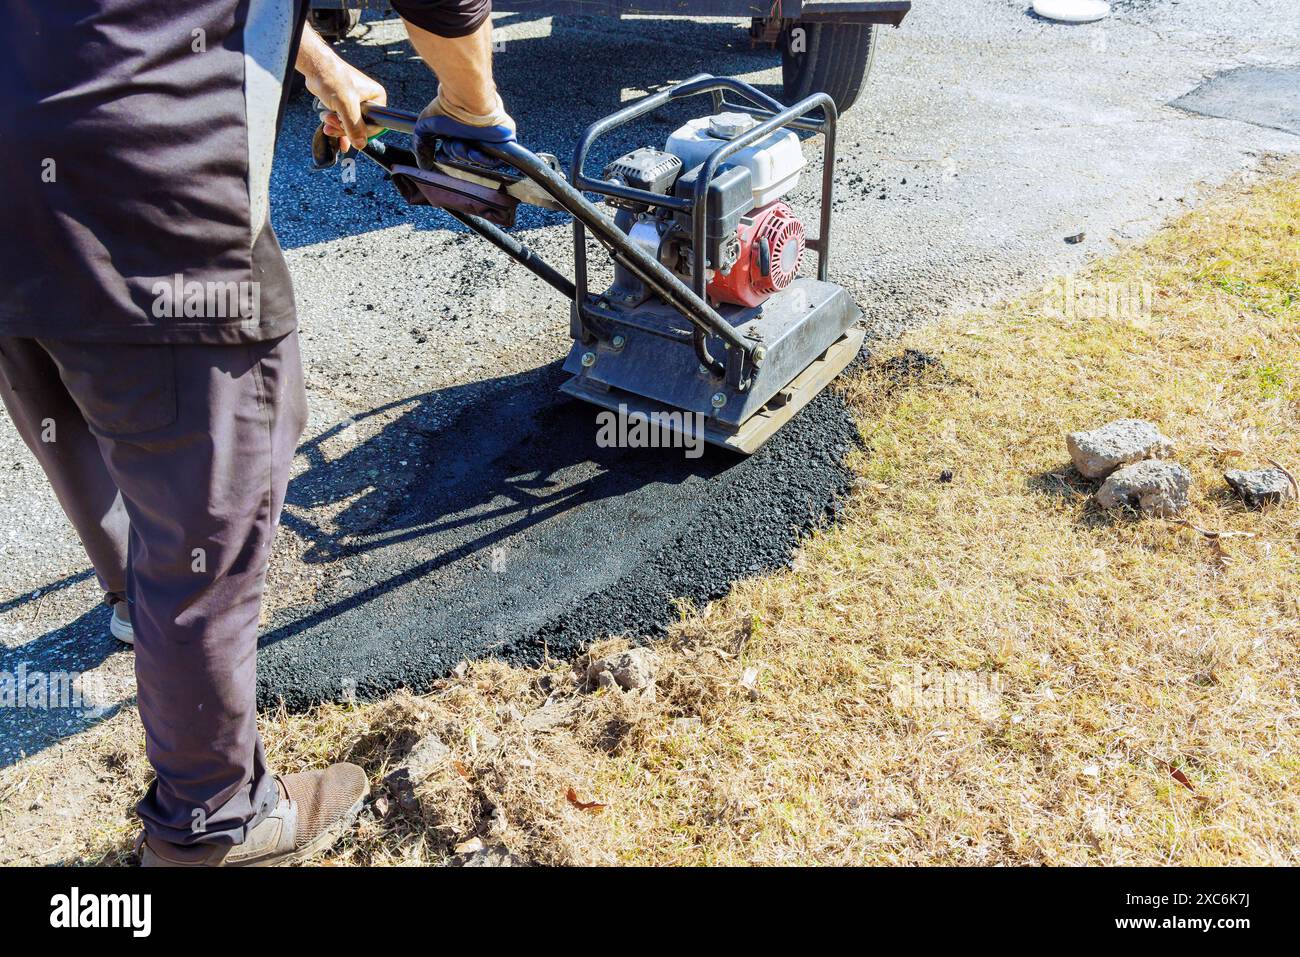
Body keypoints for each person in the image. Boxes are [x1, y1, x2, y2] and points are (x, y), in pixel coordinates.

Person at [0, 0, 514, 866]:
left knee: (61, 364)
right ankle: (214, 821)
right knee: (222, 483)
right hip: (151, 190)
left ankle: (138, 599)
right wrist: (473, 104)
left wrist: (316, 62)